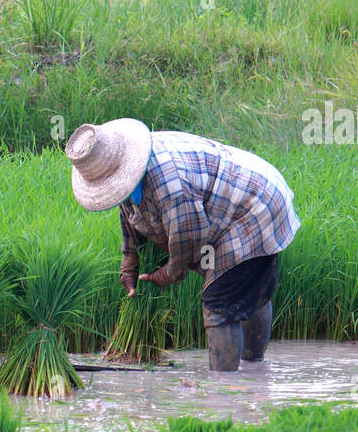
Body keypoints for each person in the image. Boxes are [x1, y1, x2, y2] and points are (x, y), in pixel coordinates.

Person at [64, 118, 301, 371]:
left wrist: (169, 273)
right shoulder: (129, 169)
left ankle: (227, 389)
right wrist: (130, 261)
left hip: (254, 205)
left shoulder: (170, 184)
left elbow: (189, 240)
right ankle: (256, 373)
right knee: (250, 289)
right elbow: (128, 209)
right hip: (239, 194)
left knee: (221, 301)